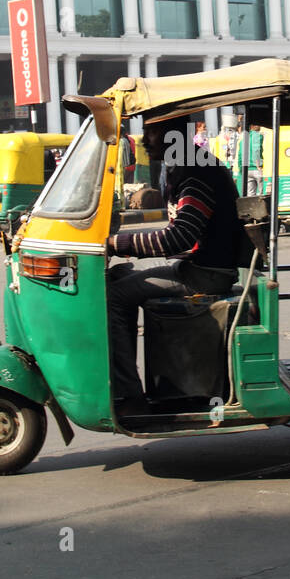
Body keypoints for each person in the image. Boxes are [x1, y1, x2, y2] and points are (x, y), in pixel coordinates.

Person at [104, 116, 243, 414]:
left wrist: (117, 244)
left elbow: (179, 237)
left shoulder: (196, 173)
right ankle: (127, 387)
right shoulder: (185, 166)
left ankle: (130, 397)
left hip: (206, 274)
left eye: (152, 132)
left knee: (113, 296)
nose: (144, 140)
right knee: (118, 282)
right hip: (195, 267)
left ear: (174, 135)